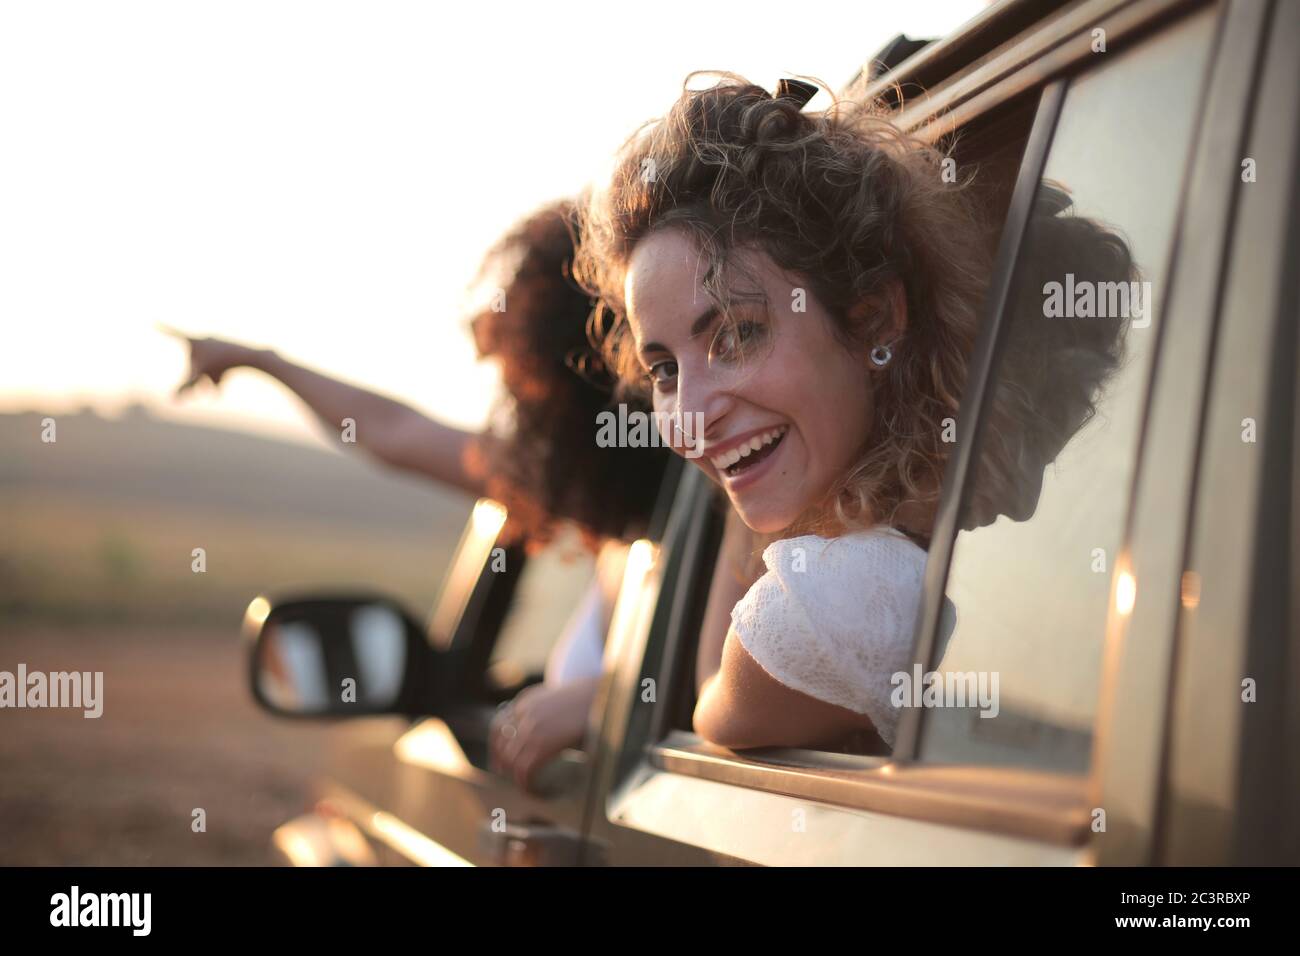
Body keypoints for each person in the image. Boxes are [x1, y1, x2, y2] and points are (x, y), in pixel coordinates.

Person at [171, 200, 670, 786]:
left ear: (575, 396)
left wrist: (604, 701)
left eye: (524, 395)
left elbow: (738, 693)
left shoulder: (711, 514)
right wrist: (261, 361)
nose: (515, 418)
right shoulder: (604, 503)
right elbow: (392, 432)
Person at [574, 74, 989, 751]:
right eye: (665, 370)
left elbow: (713, 702)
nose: (689, 420)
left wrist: (752, 510)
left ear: (873, 318)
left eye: (737, 335)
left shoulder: (842, 598)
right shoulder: (969, 532)